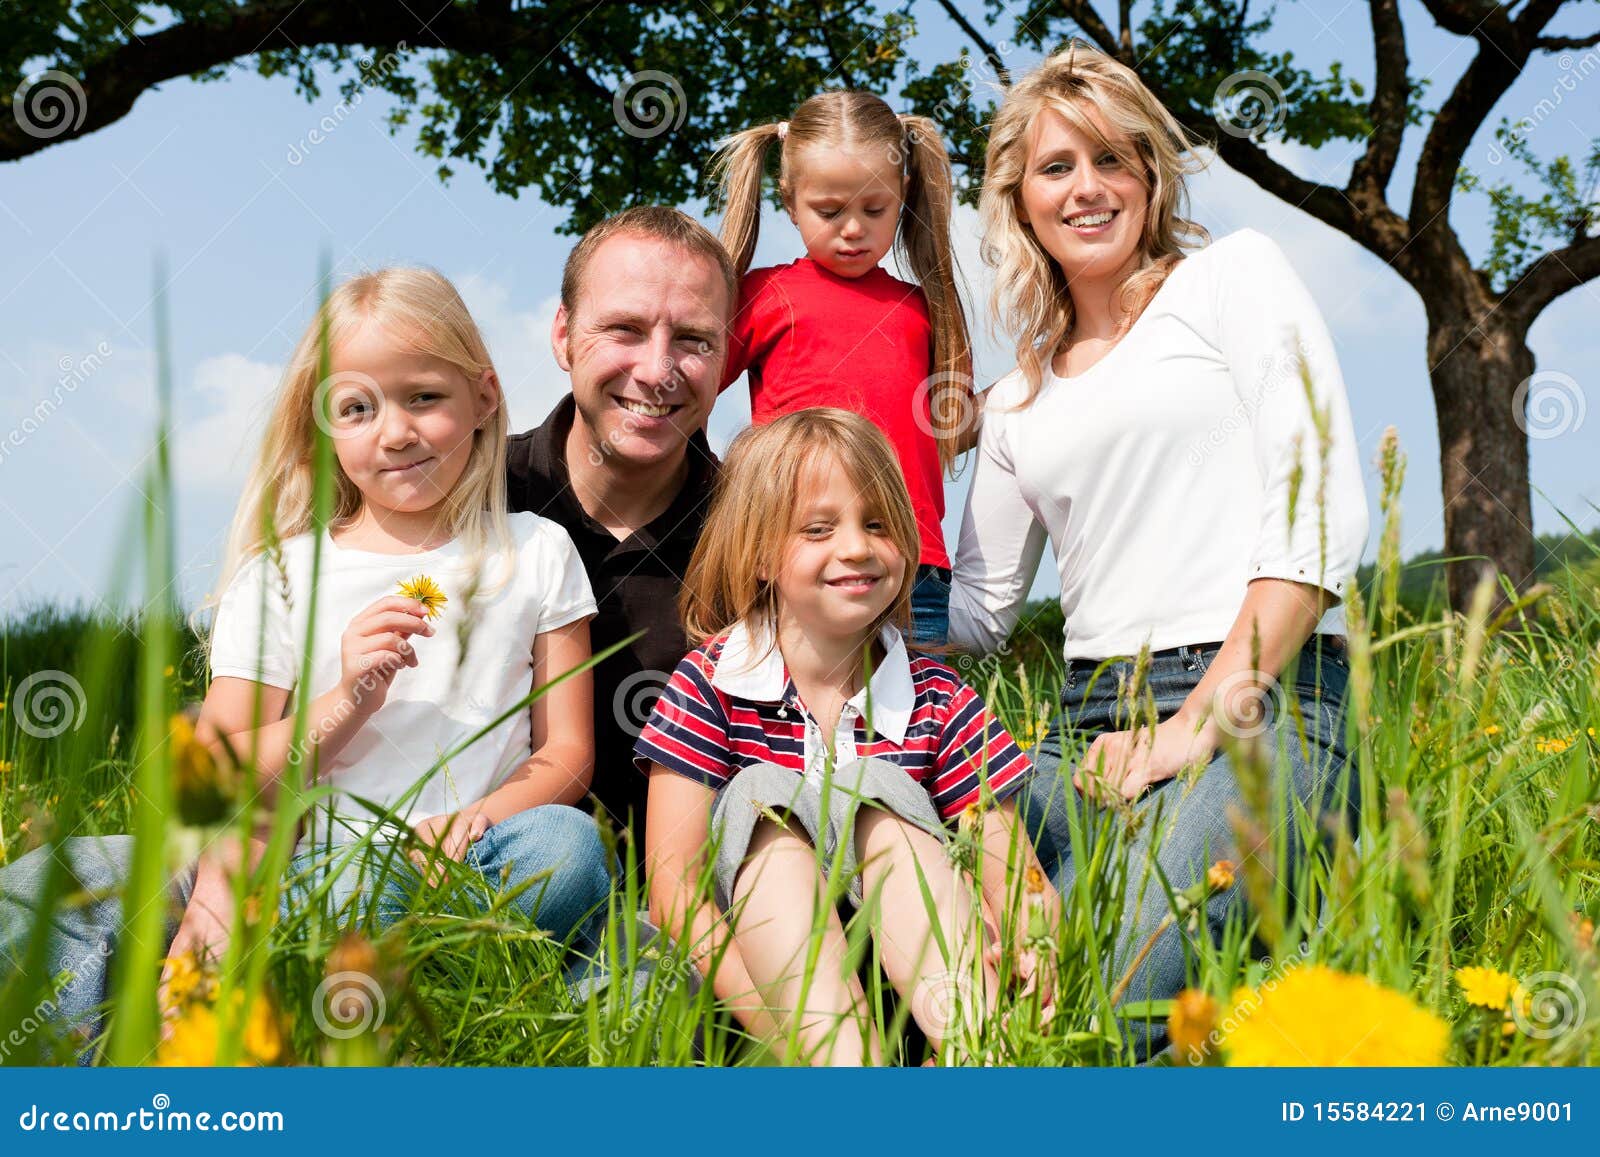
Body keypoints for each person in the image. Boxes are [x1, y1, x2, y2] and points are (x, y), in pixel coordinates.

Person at [948, 44, 1369, 1059]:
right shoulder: (1015, 398)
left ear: (1150, 175)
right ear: (1017, 197)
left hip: (1264, 707)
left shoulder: (1231, 277)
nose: (1086, 188)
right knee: (912, 890)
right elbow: (974, 613)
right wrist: (824, 547)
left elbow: (1320, 509)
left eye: (1112, 159)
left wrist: (1193, 724)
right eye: (1055, 168)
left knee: (1126, 987)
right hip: (1080, 732)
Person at [638, 408, 1059, 1065]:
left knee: (874, 787)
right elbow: (675, 892)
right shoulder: (708, 687)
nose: (858, 547)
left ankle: (980, 1051)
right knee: (758, 793)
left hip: (914, 982)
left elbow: (1010, 864)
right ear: (757, 556)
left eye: (878, 524)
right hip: (755, 992)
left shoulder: (939, 698)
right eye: (818, 528)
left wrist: (1033, 940)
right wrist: (775, 1031)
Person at [708, 92, 976, 648]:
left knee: (917, 722)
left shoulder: (926, 309)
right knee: (785, 724)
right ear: (790, 203)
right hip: (791, 556)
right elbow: (693, 398)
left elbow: (953, 423)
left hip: (913, 559)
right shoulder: (764, 295)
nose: (853, 228)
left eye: (874, 210)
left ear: (902, 196)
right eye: (830, 211)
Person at [505, 206, 732, 848]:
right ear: (563, 336)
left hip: (697, 917)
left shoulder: (763, 539)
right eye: (625, 329)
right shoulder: (462, 502)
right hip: (478, 898)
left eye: (693, 339)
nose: (657, 371)